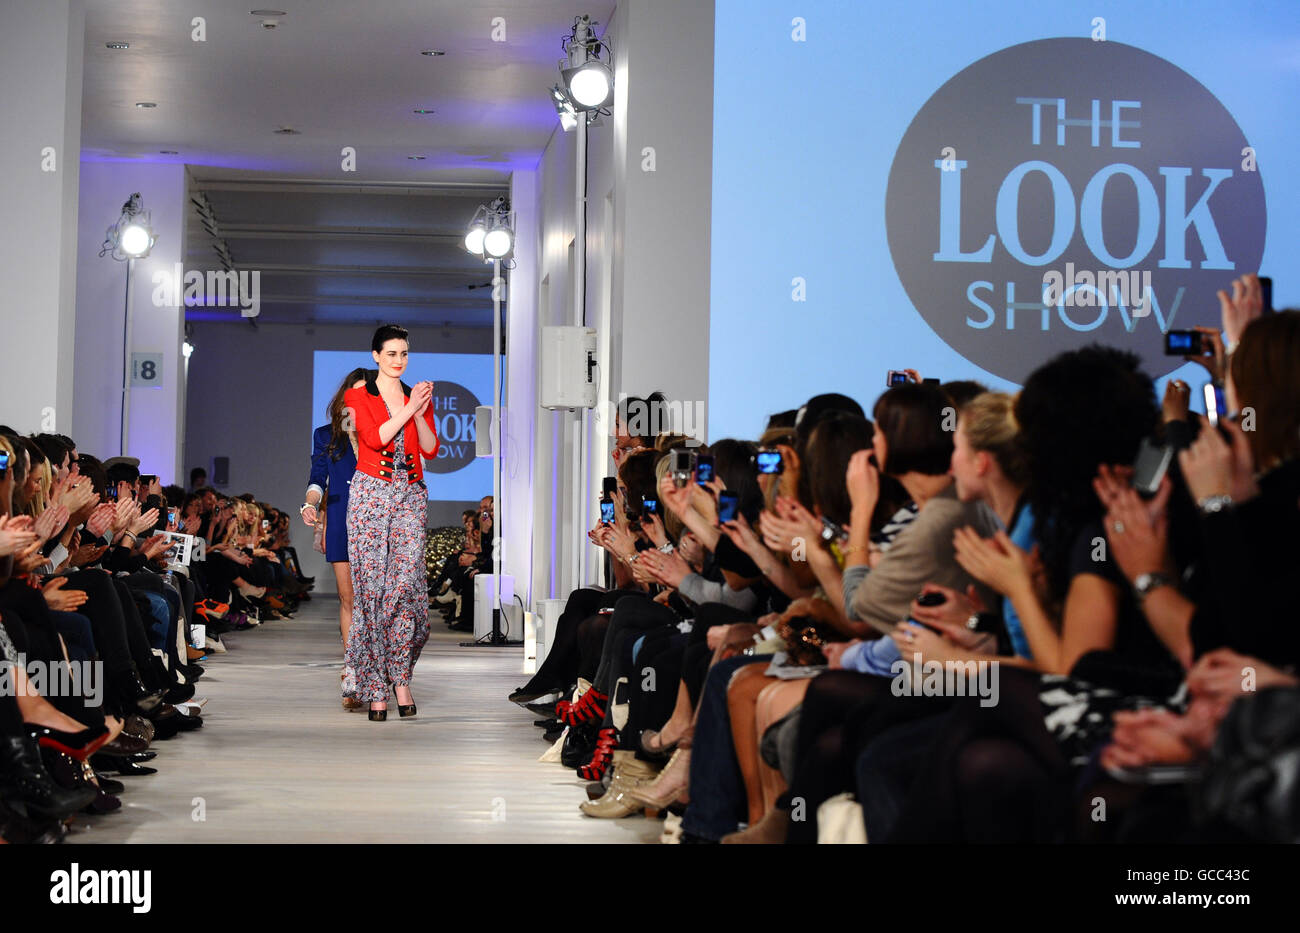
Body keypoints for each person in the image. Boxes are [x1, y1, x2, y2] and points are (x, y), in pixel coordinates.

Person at [343, 325, 440, 722]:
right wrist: (407, 407)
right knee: (372, 593)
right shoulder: (357, 395)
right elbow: (377, 437)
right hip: (370, 494)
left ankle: (400, 676)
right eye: (392, 354)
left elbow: (431, 449)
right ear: (375, 356)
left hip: (411, 494)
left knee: (404, 589)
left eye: (404, 353)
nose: (399, 361)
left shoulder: (418, 395)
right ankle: (377, 686)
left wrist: (417, 411)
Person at [302, 367, 369, 710]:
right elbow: (318, 477)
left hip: (376, 521)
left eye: (366, 393)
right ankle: (352, 669)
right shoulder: (327, 435)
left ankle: (375, 667)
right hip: (341, 517)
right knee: (349, 599)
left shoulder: (382, 433)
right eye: (353, 393)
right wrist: (310, 504)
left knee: (375, 600)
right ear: (345, 397)